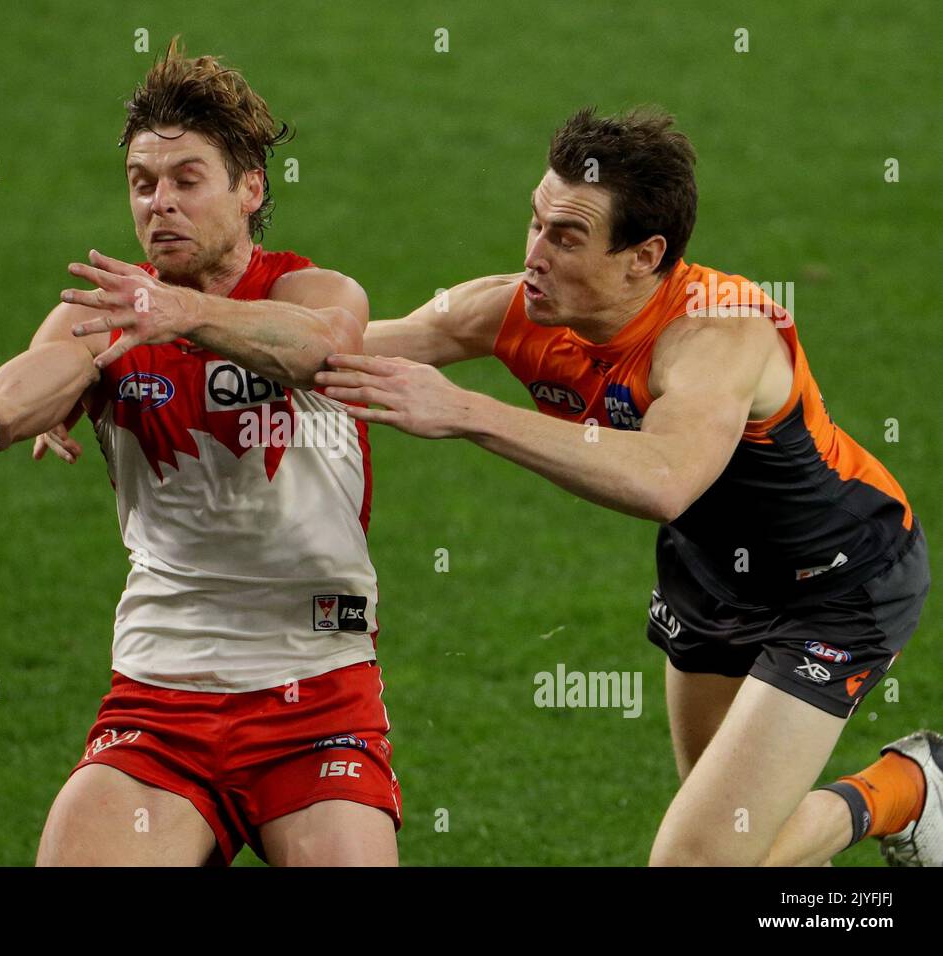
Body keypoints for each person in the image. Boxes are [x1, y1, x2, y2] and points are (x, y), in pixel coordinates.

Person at [0, 39, 400, 866]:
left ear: (250, 189)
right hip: (162, 697)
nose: (159, 204)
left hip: (317, 693)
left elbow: (319, 348)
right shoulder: (100, 317)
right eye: (143, 184)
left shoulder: (308, 291)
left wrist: (177, 313)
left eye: (185, 180)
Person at [317, 106, 938, 866]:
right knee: (744, 844)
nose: (534, 255)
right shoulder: (516, 306)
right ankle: (915, 795)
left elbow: (666, 479)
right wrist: (177, 320)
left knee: (699, 860)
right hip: (708, 576)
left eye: (567, 237)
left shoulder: (718, 335)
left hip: (837, 583)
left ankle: (907, 789)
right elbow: (339, 354)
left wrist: (468, 412)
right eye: (536, 223)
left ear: (644, 256)